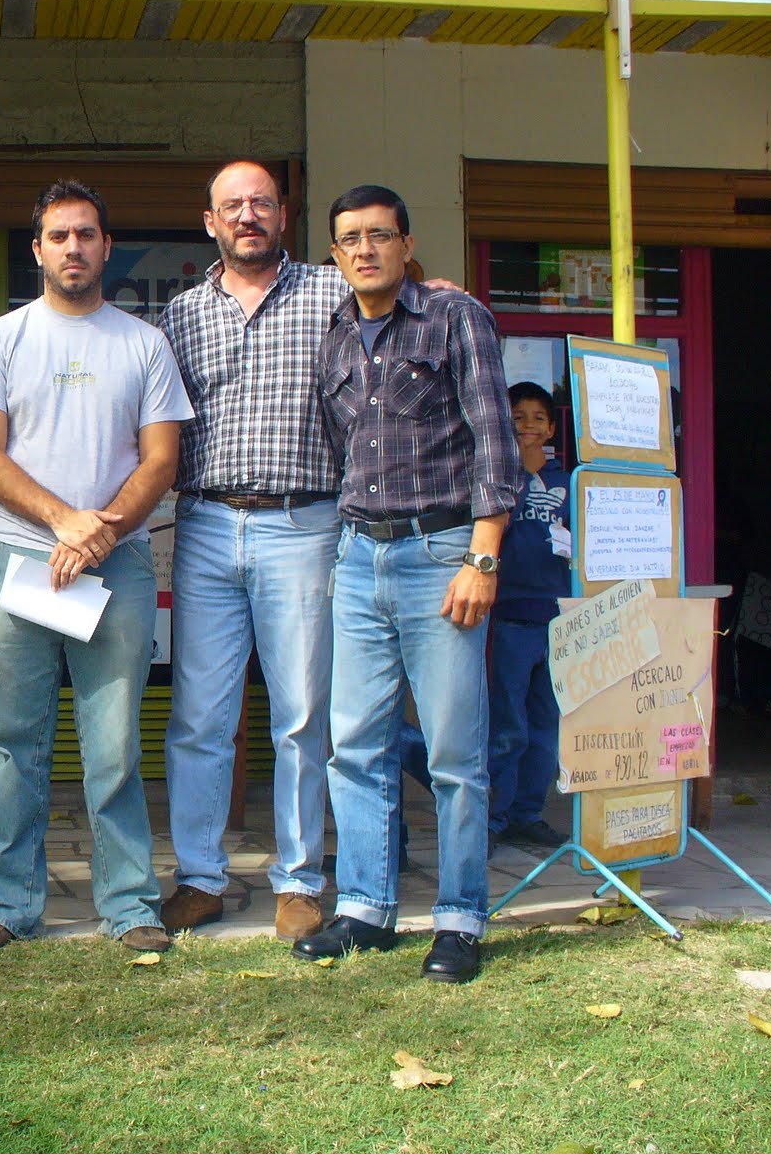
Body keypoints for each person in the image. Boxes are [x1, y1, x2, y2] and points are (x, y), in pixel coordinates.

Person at [0, 179, 194, 954]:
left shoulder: (143, 342)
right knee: (13, 741)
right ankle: (8, 901)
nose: (73, 247)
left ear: (105, 246)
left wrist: (101, 532)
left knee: (115, 743)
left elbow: (162, 458)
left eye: (87, 234)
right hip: (18, 564)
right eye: (59, 236)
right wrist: (64, 521)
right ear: (37, 250)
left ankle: (129, 907)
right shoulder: (0, 339)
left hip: (115, 567)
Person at [295, 184, 519, 985]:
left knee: (456, 753)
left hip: (441, 558)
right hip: (359, 560)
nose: (365, 249)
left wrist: (482, 554)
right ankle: (364, 908)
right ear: (334, 255)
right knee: (354, 747)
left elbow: (497, 442)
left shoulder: (457, 319)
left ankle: (460, 919)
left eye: (380, 235)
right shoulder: (333, 340)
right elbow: (343, 453)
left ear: (406, 244)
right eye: (350, 238)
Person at [157, 160, 351, 941]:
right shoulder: (179, 315)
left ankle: (299, 881)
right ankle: (201, 877)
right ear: (210, 221)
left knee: (302, 715)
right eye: (232, 206)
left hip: (304, 524)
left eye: (261, 203)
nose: (247, 216)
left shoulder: (333, 295)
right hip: (204, 525)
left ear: (283, 214)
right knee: (199, 716)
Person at [487, 381, 571, 851]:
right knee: (508, 726)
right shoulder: (498, 477)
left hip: (559, 620)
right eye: (519, 417)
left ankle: (527, 814)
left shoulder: (568, 483)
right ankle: (495, 818)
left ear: (552, 427)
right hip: (511, 618)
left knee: (546, 726)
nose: (528, 426)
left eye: (538, 418)